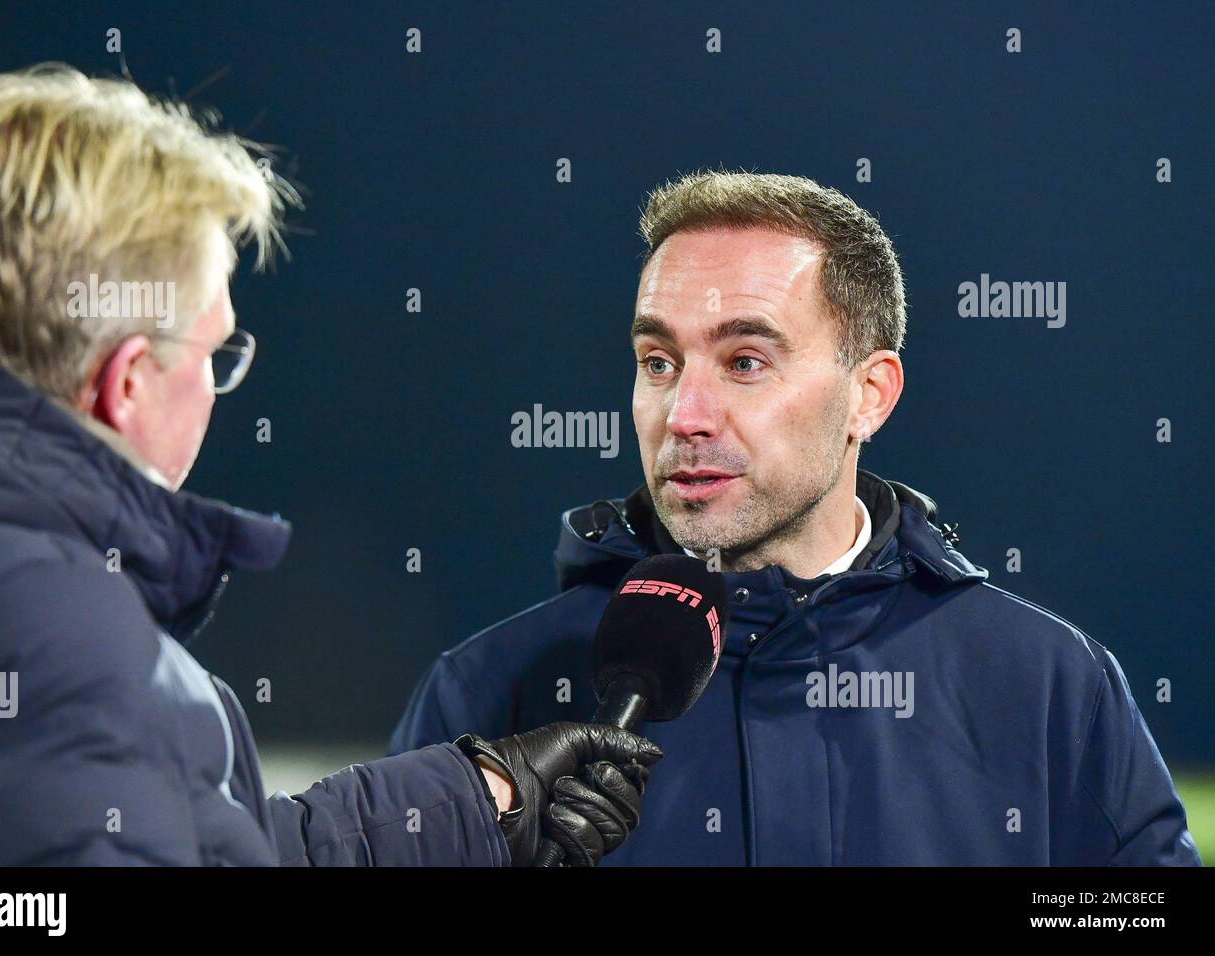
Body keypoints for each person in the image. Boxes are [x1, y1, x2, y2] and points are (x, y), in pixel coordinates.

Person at [0, 64, 658, 867]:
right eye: (215, 353)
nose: (219, 386)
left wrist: (480, 798)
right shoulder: (59, 639)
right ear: (127, 383)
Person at [392, 170, 1202, 866]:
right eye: (658, 362)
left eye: (746, 361)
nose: (685, 414)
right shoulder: (490, 687)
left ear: (869, 396)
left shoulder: (1049, 684)